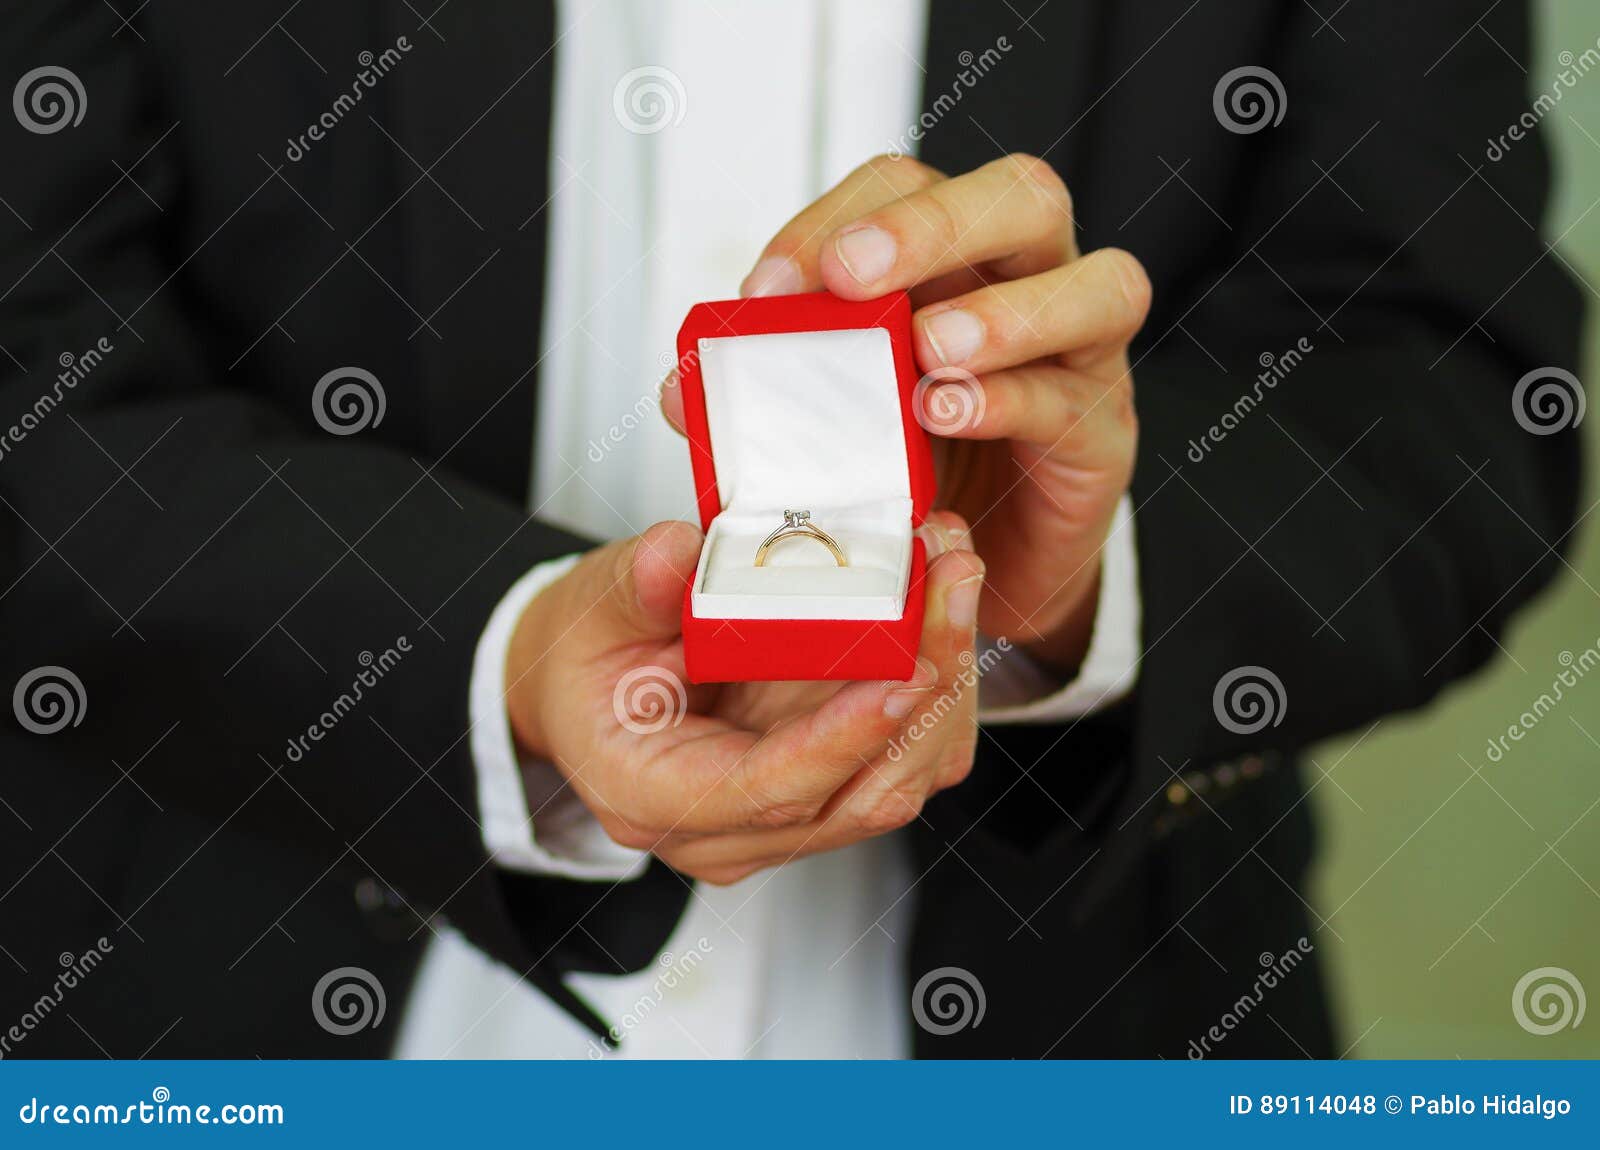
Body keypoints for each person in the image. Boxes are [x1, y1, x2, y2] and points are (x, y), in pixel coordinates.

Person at [0, 0, 1580, 1059]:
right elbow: (34, 367)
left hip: (1091, 1018)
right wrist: (496, 657)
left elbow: (1450, 383)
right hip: (190, 999)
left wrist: (1092, 575)